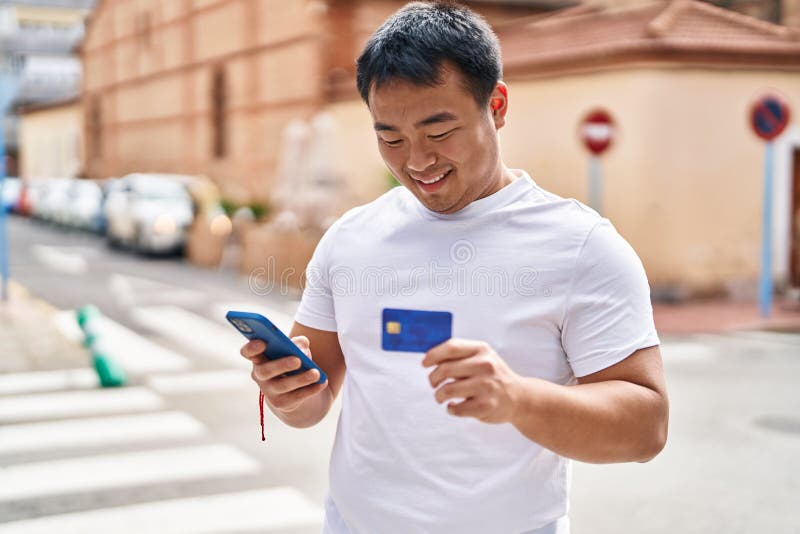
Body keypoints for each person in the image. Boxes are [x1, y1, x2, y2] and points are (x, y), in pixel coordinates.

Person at [240, 2, 668, 533]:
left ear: (498, 104)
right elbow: (313, 402)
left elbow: (647, 428)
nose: (417, 162)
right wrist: (288, 393)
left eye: (439, 131)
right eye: (390, 137)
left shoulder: (582, 247)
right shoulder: (350, 239)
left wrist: (517, 398)